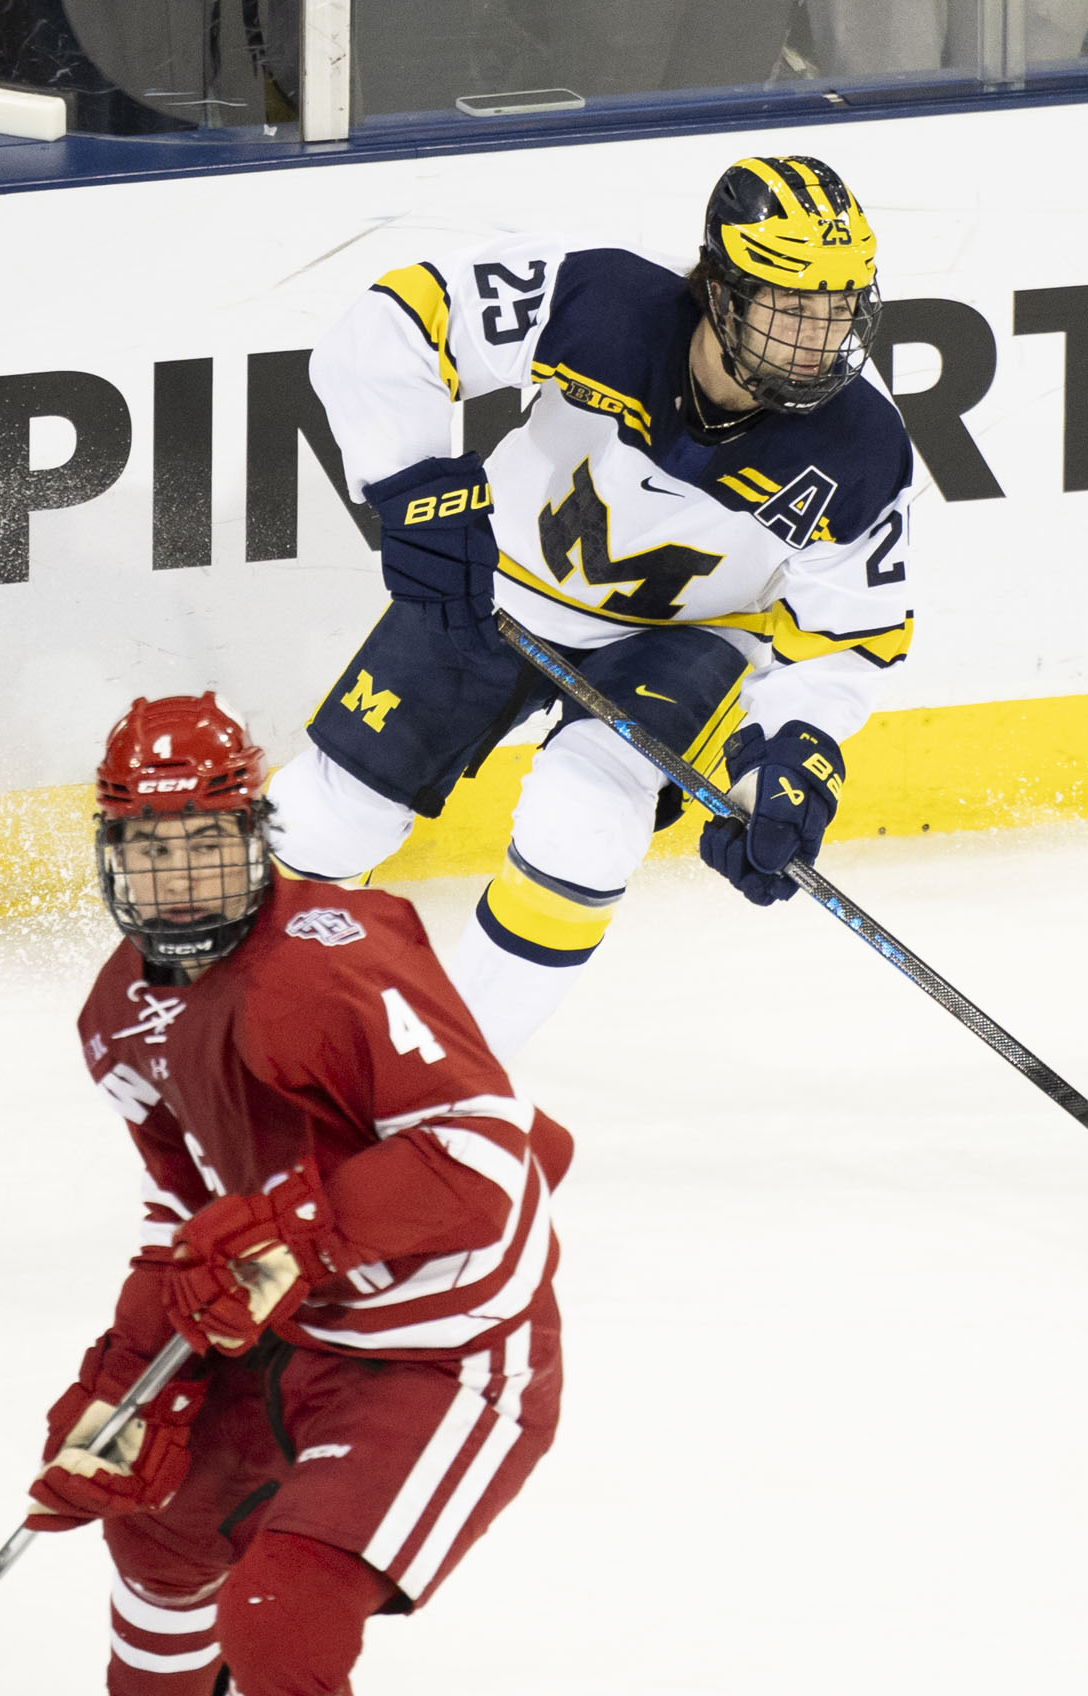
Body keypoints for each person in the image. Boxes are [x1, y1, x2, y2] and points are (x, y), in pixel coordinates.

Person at [11, 691, 573, 1696]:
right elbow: (177, 1210)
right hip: (288, 1317)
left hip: (441, 1351)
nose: (183, 875)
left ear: (258, 839)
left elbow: (483, 1158)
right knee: (151, 1510)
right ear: (113, 859)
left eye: (208, 842)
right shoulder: (121, 1018)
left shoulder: (328, 960)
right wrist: (116, 1393)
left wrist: (287, 1236)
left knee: (281, 1623)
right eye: (154, 850)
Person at [267, 154, 916, 1057]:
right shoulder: (601, 299)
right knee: (335, 813)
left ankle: (449, 1080)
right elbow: (394, 323)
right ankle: (226, 1012)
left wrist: (784, 769)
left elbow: (849, 636)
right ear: (722, 292)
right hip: (494, 585)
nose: (820, 337)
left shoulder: (862, 443)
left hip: (687, 641)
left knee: (587, 822)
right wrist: (413, 483)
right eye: (792, 305)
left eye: (839, 307)